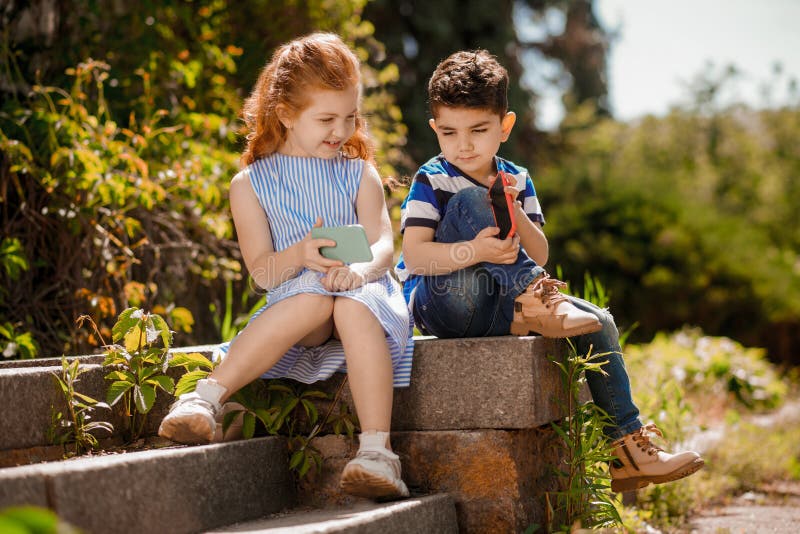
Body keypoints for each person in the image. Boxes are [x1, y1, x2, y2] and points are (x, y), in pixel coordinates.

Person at [396, 49, 704, 493]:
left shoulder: (517, 177)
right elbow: (417, 256)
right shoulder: (434, 176)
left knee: (599, 320)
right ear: (435, 130)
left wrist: (512, 209)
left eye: (478, 130)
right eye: (449, 132)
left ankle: (628, 451)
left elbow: (537, 252)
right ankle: (534, 302)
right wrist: (473, 249)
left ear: (505, 126)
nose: (463, 144)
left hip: (502, 302)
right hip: (446, 302)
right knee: (468, 202)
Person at [158, 33, 413, 501]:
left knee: (350, 307)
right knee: (314, 295)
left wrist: (357, 272)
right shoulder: (250, 184)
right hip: (303, 306)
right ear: (285, 114)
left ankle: (378, 452)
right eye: (326, 119)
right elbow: (263, 273)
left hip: (365, 294)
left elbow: (382, 244)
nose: (341, 130)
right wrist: (298, 255)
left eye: (350, 116)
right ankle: (204, 398)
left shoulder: (358, 172)